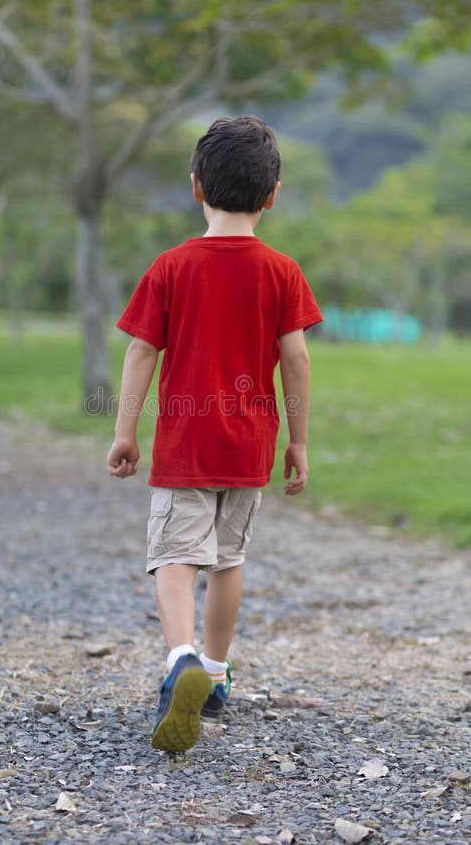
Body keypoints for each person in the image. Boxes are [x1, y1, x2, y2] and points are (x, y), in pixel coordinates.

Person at [106, 115, 323, 753]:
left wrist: (125, 430)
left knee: (176, 556)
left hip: (186, 442)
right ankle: (218, 674)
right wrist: (298, 441)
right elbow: (296, 359)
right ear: (272, 195)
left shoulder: (172, 266)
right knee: (228, 560)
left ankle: (181, 660)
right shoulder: (282, 271)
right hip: (250, 444)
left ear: (196, 186)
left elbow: (141, 352)